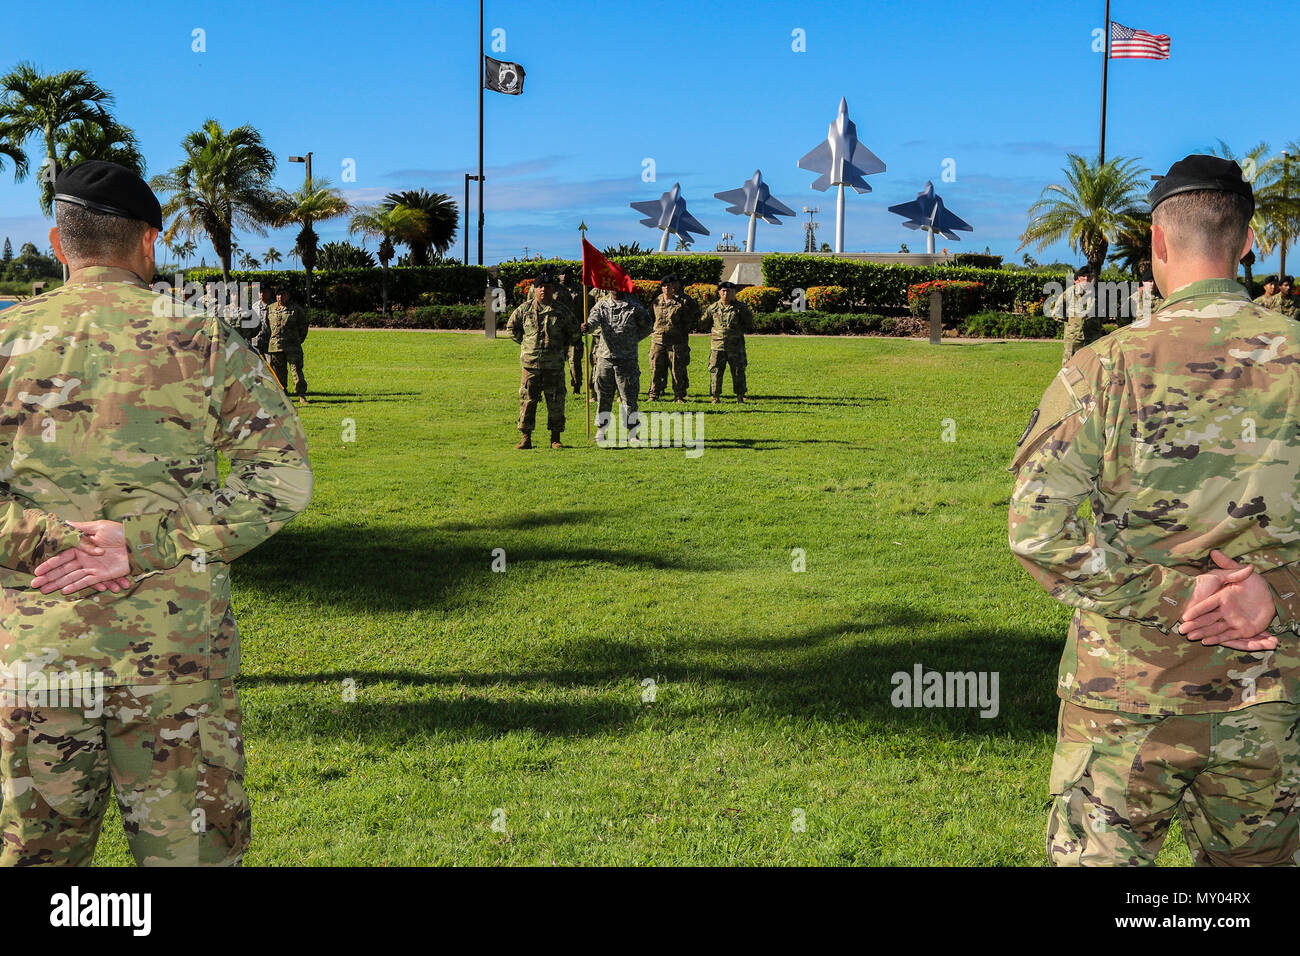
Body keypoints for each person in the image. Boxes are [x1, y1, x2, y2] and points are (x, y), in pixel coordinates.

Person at [0, 159, 313, 866]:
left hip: (36, 656)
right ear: (149, 243)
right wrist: (142, 544)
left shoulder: (5, 340)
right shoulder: (204, 341)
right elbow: (282, 477)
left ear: (58, 242)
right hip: (177, 660)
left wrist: (47, 542)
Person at [1008, 154, 1300, 867]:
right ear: (1249, 238)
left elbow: (1037, 532)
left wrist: (1176, 594)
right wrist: (1273, 593)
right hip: (1271, 702)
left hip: (1124, 699)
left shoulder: (1102, 368)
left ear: (1156, 241)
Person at [505, 268, 577, 449]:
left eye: (547, 287)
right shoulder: (525, 309)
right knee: (528, 400)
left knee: (556, 401)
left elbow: (574, 332)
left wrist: (560, 346)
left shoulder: (562, 311)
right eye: (540, 287)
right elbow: (511, 328)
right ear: (535, 290)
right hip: (531, 364)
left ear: (553, 289)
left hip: (554, 365)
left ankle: (555, 438)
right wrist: (525, 344)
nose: (543, 290)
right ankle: (525, 438)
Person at [581, 286, 652, 443]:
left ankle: (633, 433)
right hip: (605, 358)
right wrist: (587, 326)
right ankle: (601, 431)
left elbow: (647, 327)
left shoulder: (634, 307)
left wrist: (632, 340)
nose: (615, 289)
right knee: (603, 396)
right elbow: (593, 321)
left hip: (627, 359)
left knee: (629, 397)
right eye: (612, 286)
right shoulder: (602, 305)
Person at [648, 274, 698, 403]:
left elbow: (689, 320)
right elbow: (651, 317)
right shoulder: (657, 301)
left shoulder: (681, 303)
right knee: (656, 368)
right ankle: (654, 394)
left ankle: (679, 395)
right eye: (663, 286)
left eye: (668, 286)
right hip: (658, 340)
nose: (666, 288)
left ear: (673, 287)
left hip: (676, 341)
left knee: (677, 369)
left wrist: (681, 333)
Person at [704, 281, 753, 403]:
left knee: (738, 371)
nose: (726, 293)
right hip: (717, 346)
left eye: (729, 291)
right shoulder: (713, 308)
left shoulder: (741, 308)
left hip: (736, 346)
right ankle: (715, 397)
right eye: (723, 291)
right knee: (715, 371)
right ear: (719, 292)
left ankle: (740, 396)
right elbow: (704, 323)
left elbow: (749, 323)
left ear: (734, 293)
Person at [1050, 265, 1101, 366]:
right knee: (1069, 366)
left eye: (1089, 276)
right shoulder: (1069, 293)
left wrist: (1095, 322)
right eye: (1083, 276)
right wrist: (1071, 321)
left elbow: (1106, 312)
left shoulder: (1098, 294)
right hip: (1074, 337)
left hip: (1093, 337)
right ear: (1078, 278)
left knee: (1093, 367)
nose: (1086, 279)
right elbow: (1056, 311)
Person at [267, 288, 309, 404]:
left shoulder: (295, 309)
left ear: (288, 295)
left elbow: (304, 325)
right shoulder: (271, 308)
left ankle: (301, 395)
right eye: (278, 295)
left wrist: (298, 340)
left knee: (296, 370)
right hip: (276, 346)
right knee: (279, 372)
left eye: (282, 294)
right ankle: (283, 395)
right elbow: (267, 325)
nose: (280, 297)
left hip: (292, 346)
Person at [553, 267, 591, 397]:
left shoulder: (580, 289)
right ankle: (558, 387)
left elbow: (586, 308)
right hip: (558, 331)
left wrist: (584, 323)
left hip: (575, 330)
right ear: (559, 275)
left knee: (575, 361)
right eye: (562, 273)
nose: (564, 276)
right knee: (556, 361)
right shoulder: (553, 289)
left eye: (567, 273)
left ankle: (576, 387)